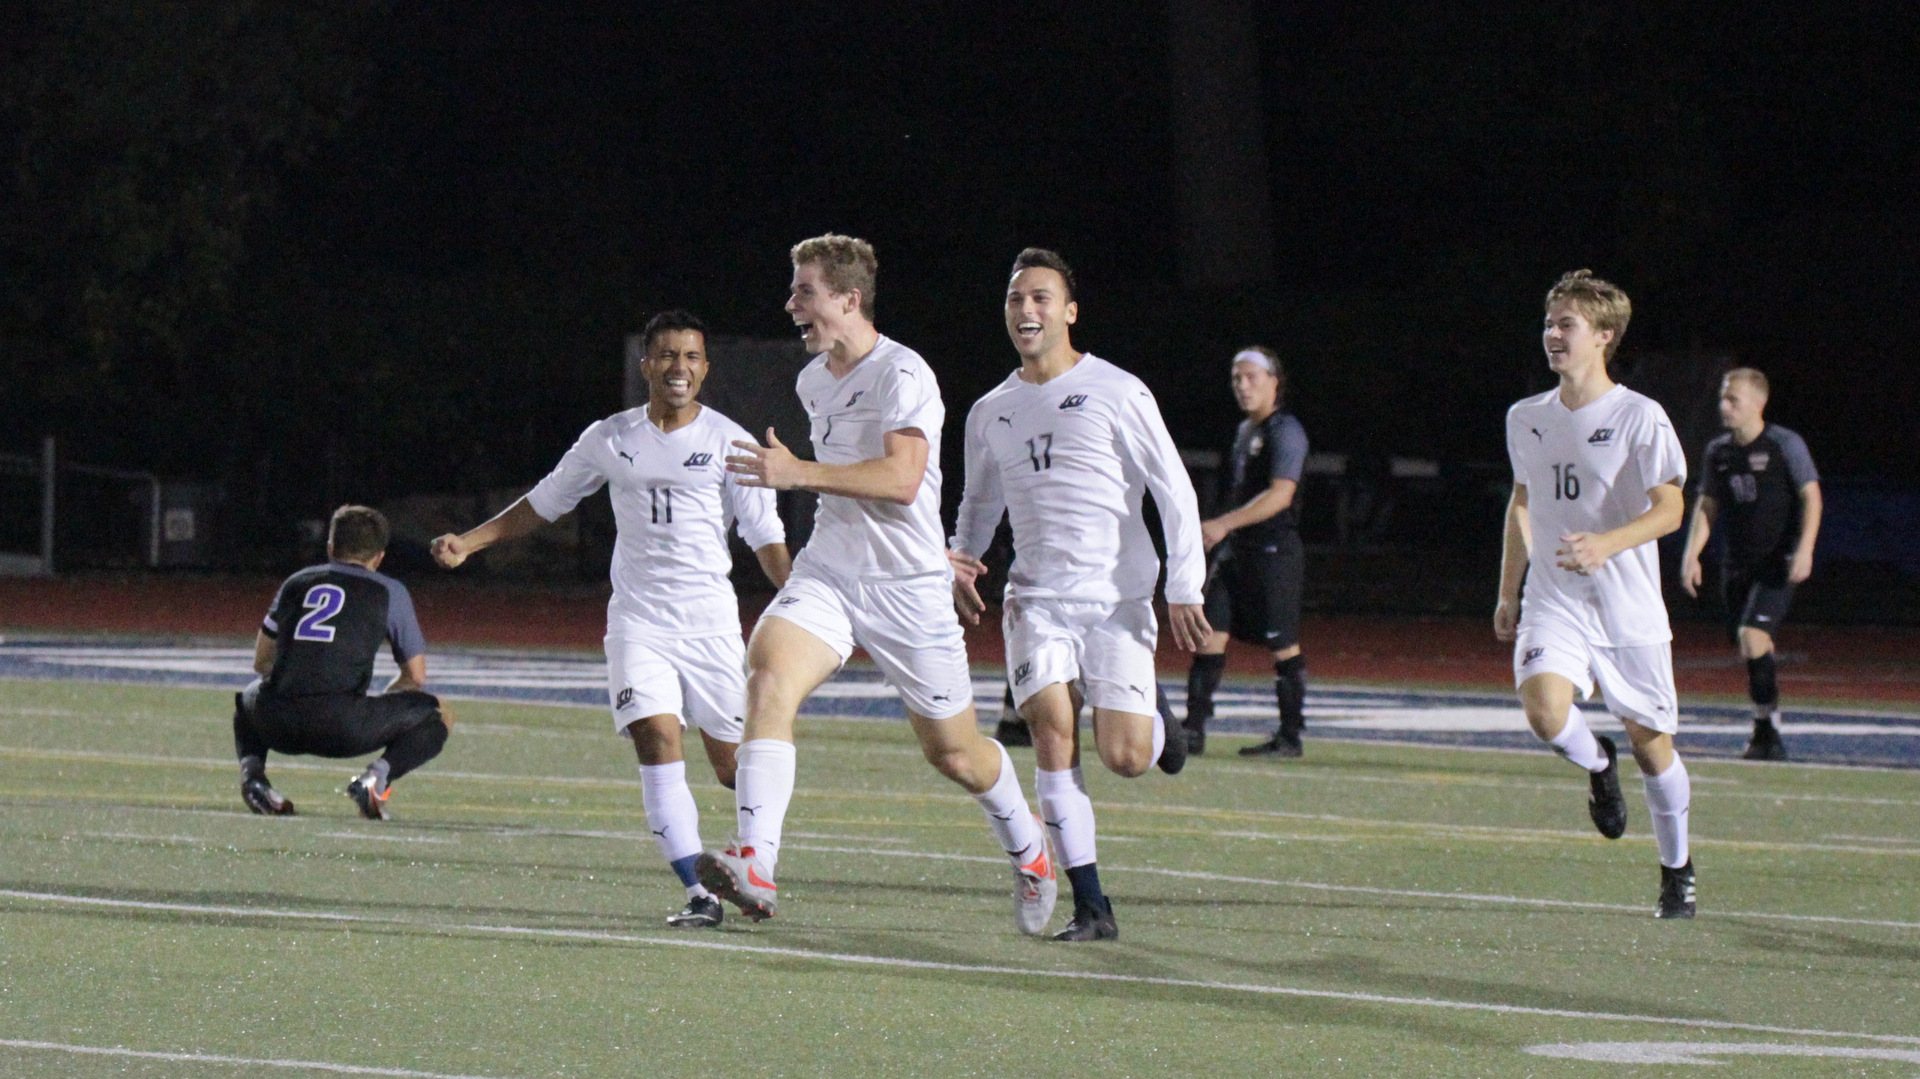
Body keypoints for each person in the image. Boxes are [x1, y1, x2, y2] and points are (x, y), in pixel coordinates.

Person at [696, 234, 1056, 933]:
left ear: (848, 299)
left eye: (805, 291)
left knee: (954, 753)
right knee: (767, 672)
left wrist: (799, 473)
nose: (790, 304)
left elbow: (901, 479)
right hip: (831, 568)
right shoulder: (813, 379)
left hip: (908, 589)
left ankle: (1031, 846)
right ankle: (756, 864)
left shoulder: (904, 374)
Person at [430, 309, 791, 929]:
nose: (679, 368)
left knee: (735, 768)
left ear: (705, 369)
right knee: (656, 739)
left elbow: (766, 537)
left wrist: (805, 602)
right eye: (668, 356)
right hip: (638, 623)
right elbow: (545, 502)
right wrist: (473, 541)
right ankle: (699, 892)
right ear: (645, 364)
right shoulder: (609, 437)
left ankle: (756, 863)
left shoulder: (732, 443)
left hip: (709, 626)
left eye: (691, 357)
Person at [950, 248, 1208, 941]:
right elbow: (980, 501)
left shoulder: (1118, 390)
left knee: (1123, 755)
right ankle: (1093, 906)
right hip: (1035, 600)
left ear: (1069, 310)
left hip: (1116, 599)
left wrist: (1185, 583)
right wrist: (963, 562)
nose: (1026, 310)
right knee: (1051, 735)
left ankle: (1161, 730)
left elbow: (1173, 490)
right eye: (1014, 299)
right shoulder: (991, 410)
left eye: (1040, 297)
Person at [1494, 270, 1697, 919]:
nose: (1553, 334)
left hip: (1627, 608)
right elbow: (1521, 503)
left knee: (1654, 746)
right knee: (1545, 710)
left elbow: (1671, 508)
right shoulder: (1525, 418)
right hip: (1555, 598)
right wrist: (1508, 589)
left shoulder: (1641, 416)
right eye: (1550, 322)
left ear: (1604, 336)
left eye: (1567, 325)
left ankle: (1677, 869)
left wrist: (1608, 543)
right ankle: (1596, 762)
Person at [234, 505, 453, 821]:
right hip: (341, 728)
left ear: (330, 548)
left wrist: (299, 681)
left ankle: (253, 779)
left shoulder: (296, 582)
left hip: (278, 723)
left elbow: (261, 661)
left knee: (248, 698)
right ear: (379, 557)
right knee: (441, 713)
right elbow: (416, 677)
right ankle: (377, 779)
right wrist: (379, 703)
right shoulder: (390, 591)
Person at [1679, 368, 1822, 761]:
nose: (1724, 406)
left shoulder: (1783, 444)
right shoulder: (1719, 452)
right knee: (1750, 646)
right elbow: (1707, 504)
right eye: (1723, 398)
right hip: (1736, 565)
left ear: (1758, 403)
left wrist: (1805, 548)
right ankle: (1769, 717)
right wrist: (1692, 554)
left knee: (1751, 638)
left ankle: (1765, 732)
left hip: (1777, 561)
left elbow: (1811, 497)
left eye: (1733, 400)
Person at [1182, 346, 1312, 758]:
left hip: (1275, 555)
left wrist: (1222, 524)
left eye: (1251, 377)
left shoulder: (1286, 431)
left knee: (1283, 646)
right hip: (1238, 554)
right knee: (1209, 635)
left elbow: (1280, 496)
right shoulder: (1244, 431)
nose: (1242, 385)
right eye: (1236, 378)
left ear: (1275, 382)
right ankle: (1193, 729)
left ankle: (1290, 736)